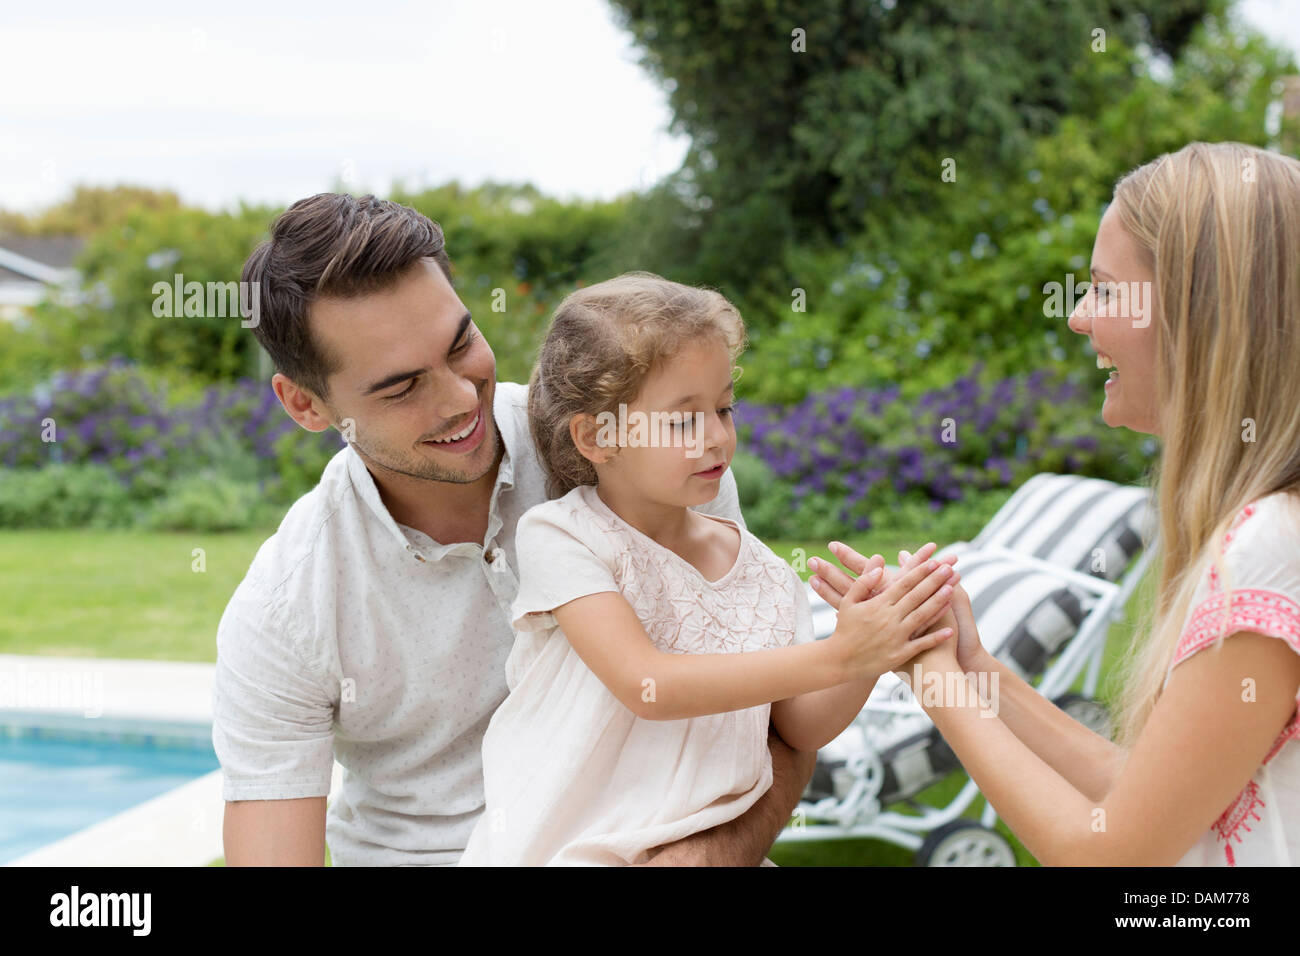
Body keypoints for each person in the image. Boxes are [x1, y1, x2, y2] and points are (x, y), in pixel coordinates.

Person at [213, 195, 815, 866]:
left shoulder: (647, 459)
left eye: (460, 344)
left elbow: (776, 724)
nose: (461, 398)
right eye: (403, 387)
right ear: (305, 404)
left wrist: (710, 856)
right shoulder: (285, 609)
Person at [812, 142, 1300, 866]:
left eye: (1104, 290)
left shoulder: (1268, 546)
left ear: (1202, 314)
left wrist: (932, 678)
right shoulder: (1267, 527)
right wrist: (975, 667)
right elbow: (1136, 791)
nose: (1078, 318)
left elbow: (1107, 858)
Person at [456, 273, 958, 865]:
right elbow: (648, 685)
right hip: (567, 848)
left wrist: (870, 654)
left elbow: (798, 729)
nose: (718, 437)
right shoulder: (565, 537)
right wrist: (837, 656)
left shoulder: (765, 573)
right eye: (684, 420)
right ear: (598, 436)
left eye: (724, 408)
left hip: (707, 848)